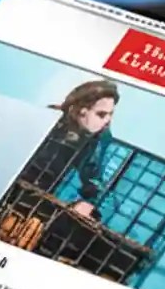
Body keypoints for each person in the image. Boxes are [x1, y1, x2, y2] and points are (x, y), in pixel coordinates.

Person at [17, 79, 119, 219]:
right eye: (101, 114)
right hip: (17, 187)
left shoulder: (100, 138)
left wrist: (86, 203)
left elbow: (95, 180)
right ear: (81, 111)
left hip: (47, 205)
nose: (107, 120)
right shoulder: (50, 120)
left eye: (110, 114)